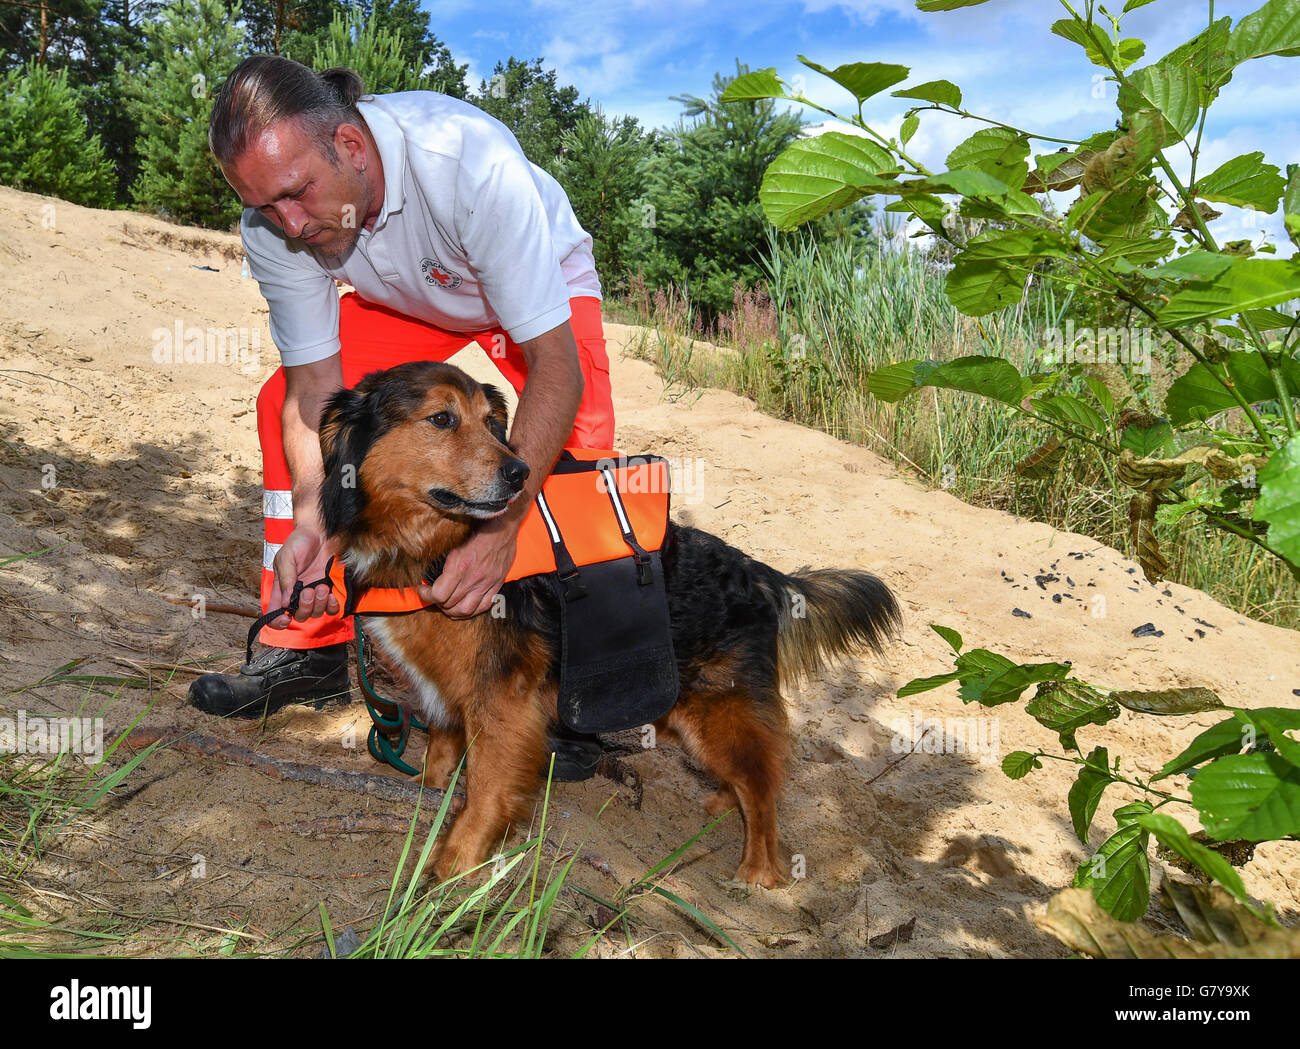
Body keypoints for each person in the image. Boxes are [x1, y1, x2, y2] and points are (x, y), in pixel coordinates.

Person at [188, 56, 615, 776]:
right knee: (277, 405)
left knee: (574, 450)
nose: (289, 226)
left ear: (352, 148)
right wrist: (316, 521)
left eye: (297, 194)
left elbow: (556, 367)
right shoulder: (277, 223)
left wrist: (504, 526)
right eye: (265, 207)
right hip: (402, 302)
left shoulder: (466, 162)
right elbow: (315, 390)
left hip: (527, 295)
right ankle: (306, 643)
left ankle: (568, 691)